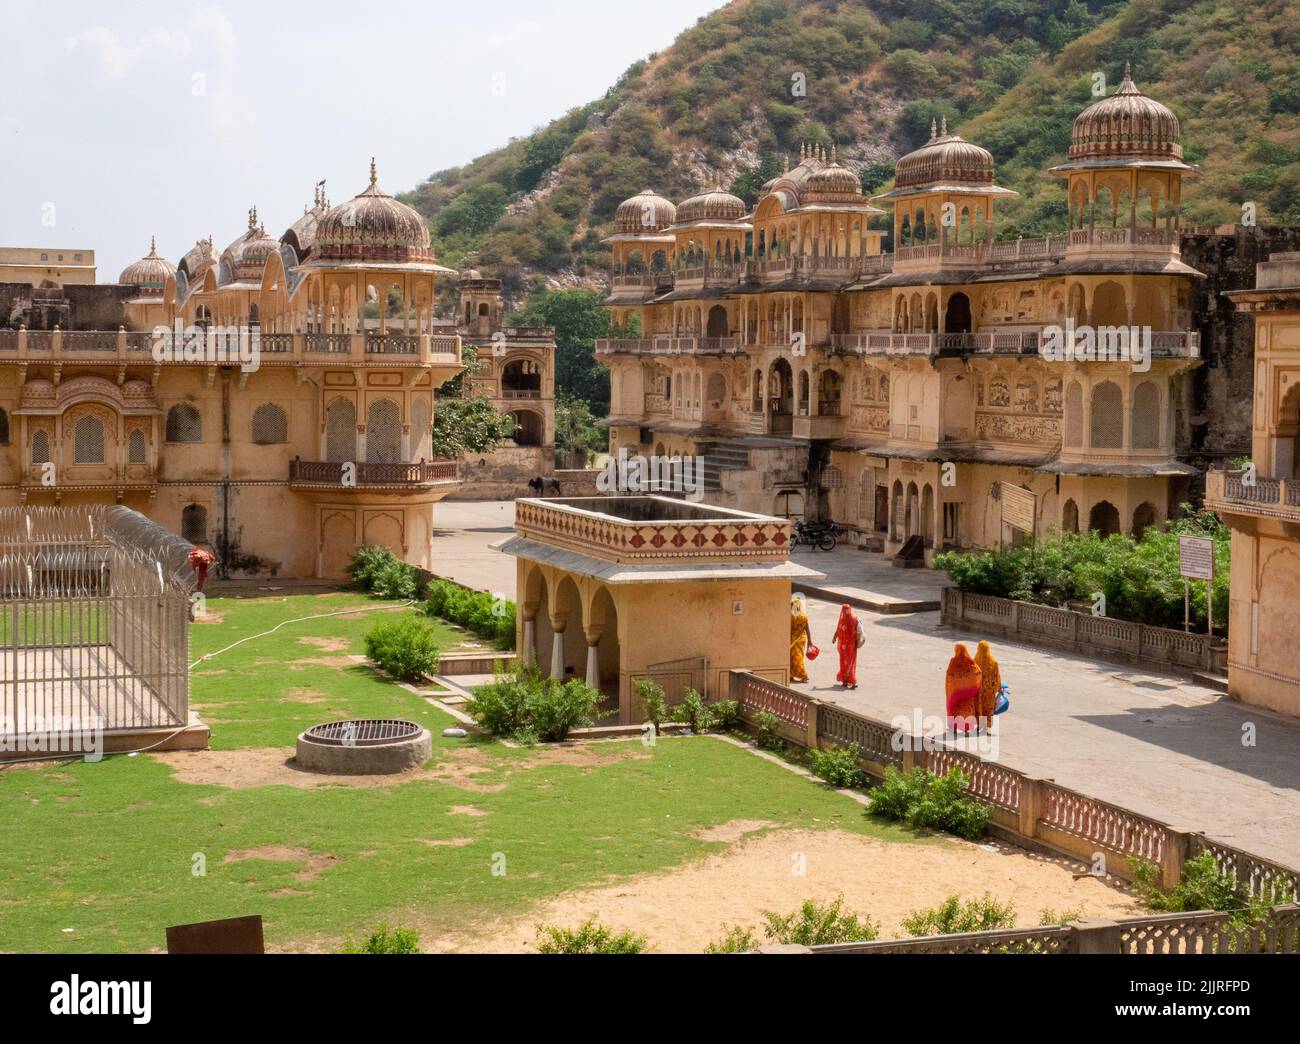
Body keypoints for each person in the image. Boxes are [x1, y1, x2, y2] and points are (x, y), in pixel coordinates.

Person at [945, 643, 982, 734]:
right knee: (966, 712)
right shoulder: (970, 662)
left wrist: (955, 685)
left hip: (956, 694)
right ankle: (966, 731)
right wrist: (969, 685)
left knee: (955, 710)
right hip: (967, 694)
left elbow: (949, 675)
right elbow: (978, 672)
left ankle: (954, 729)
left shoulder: (953, 662)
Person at [974, 640, 1002, 732]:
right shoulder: (994, 662)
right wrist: (999, 688)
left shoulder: (975, 662)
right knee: (988, 707)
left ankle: (979, 725)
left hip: (978, 691)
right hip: (989, 692)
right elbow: (997, 676)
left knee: (979, 706)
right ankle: (986, 726)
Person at [832, 603, 862, 689]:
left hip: (844, 647)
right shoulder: (855, 619)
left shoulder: (843, 620)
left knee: (844, 663)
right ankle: (848, 680)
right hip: (851, 646)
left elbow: (838, 629)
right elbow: (859, 631)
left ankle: (850, 680)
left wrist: (834, 639)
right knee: (851, 662)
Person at [790, 594, 812, 683]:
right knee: (797, 657)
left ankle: (804, 675)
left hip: (793, 640)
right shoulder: (804, 617)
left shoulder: (791, 617)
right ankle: (791, 675)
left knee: (796, 658)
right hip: (802, 639)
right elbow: (808, 630)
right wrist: (810, 641)